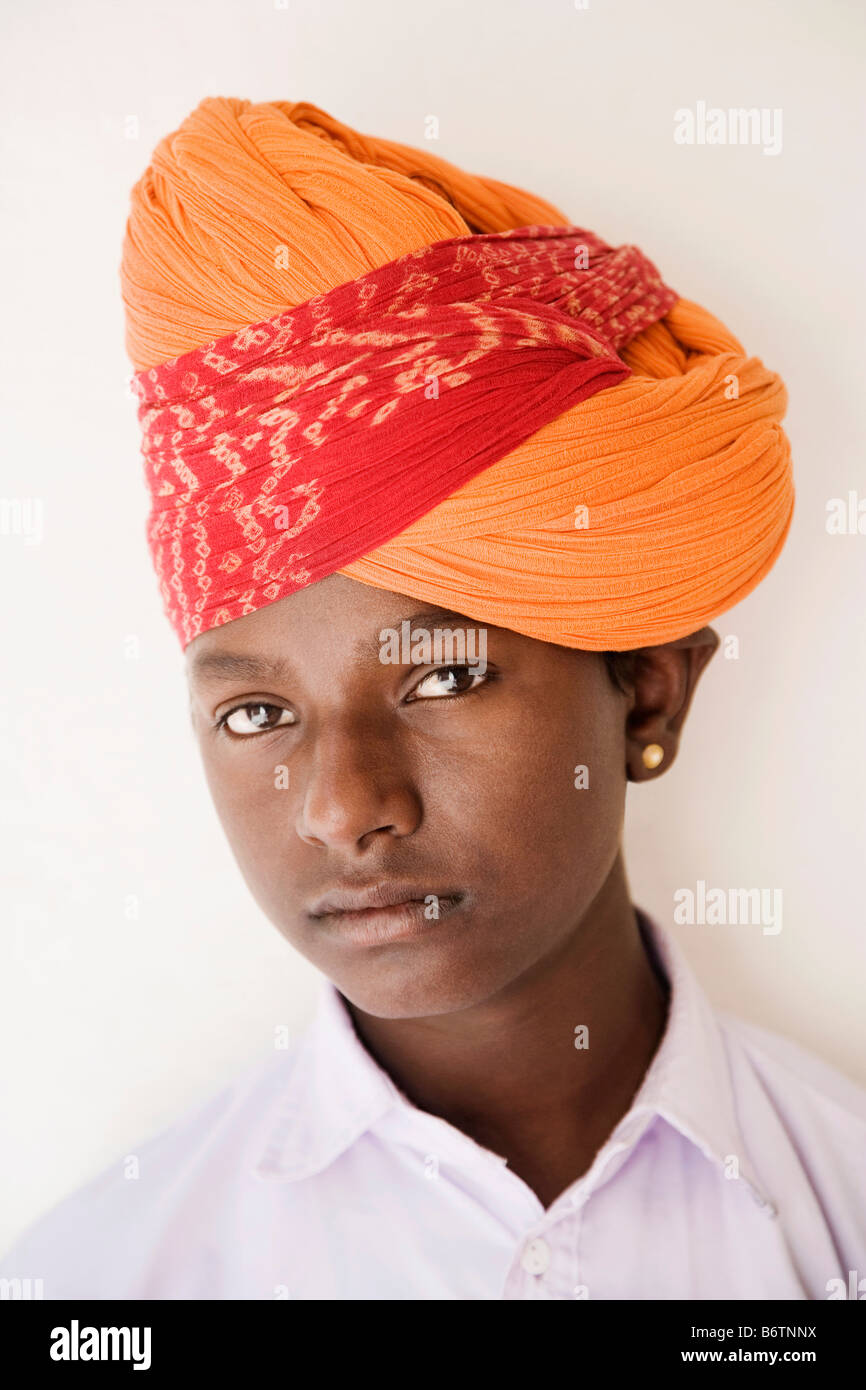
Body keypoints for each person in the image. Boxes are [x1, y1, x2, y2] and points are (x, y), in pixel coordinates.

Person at [2, 96, 864, 1302]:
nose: (343, 807)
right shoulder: (101, 1284)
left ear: (645, 697)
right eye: (256, 714)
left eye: (442, 675)